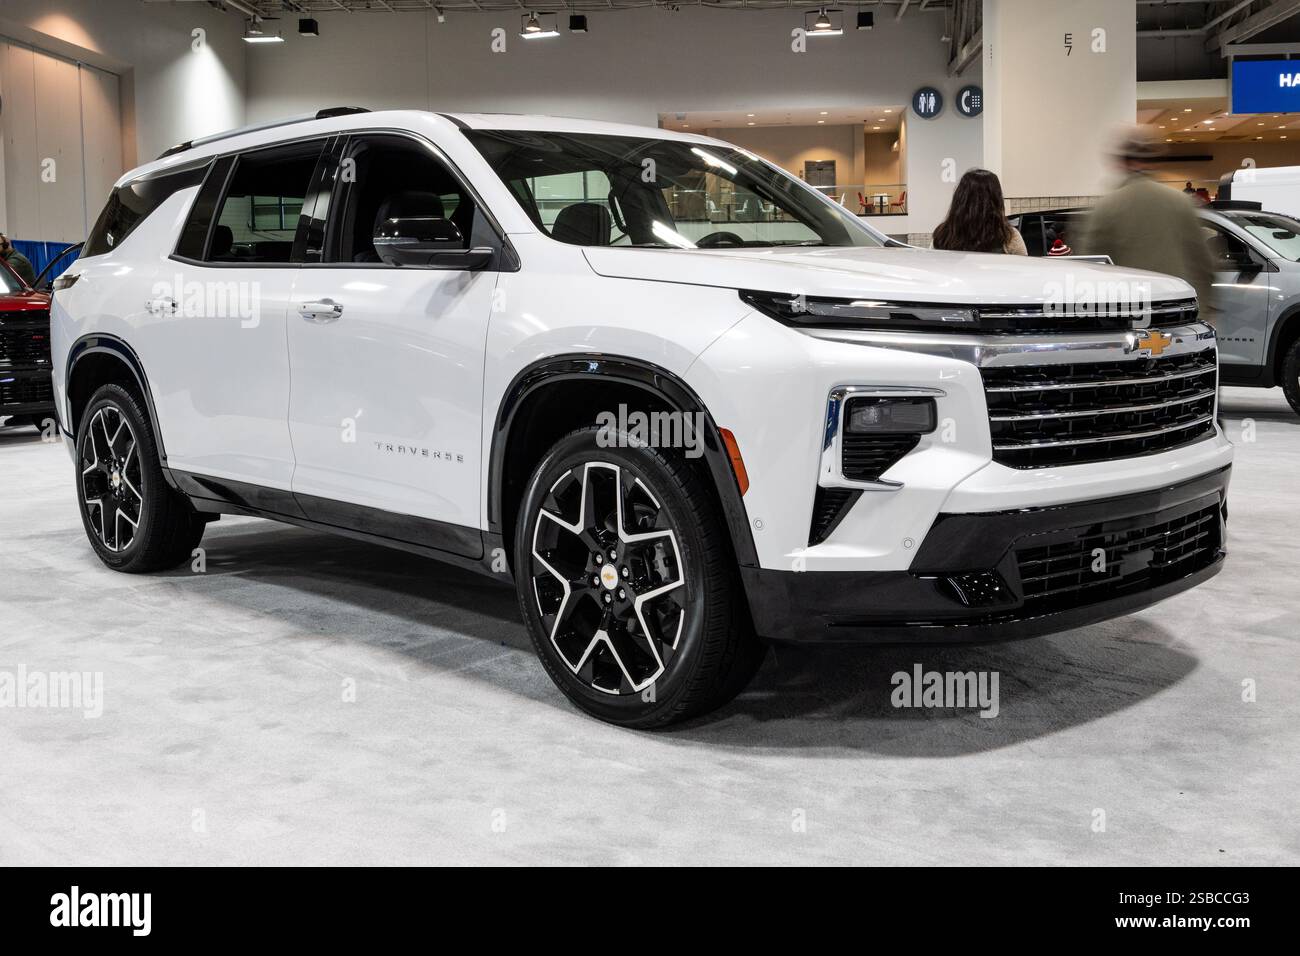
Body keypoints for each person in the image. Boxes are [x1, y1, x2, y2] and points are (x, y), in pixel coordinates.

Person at [1076, 126, 1214, 314]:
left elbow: (1090, 267)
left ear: (1122, 163)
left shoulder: (1107, 206)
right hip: (1177, 309)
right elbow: (1203, 265)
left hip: (1127, 311)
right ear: (1155, 163)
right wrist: (1202, 308)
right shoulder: (1181, 202)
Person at [931, 169, 1027, 255]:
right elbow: (1024, 269)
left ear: (960, 198)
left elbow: (932, 267)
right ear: (996, 199)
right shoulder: (1009, 237)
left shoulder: (942, 235)